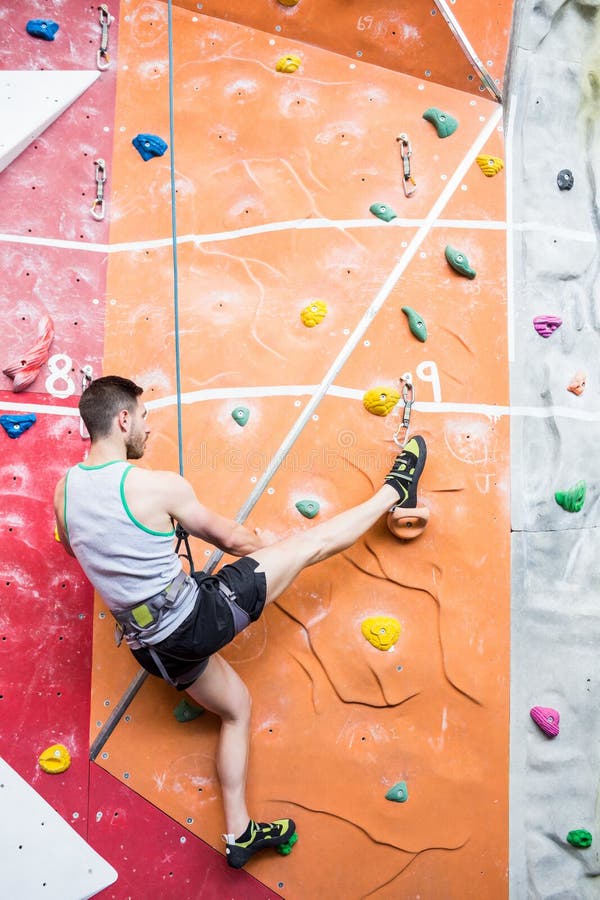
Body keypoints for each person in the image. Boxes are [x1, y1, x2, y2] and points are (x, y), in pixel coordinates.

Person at [53, 376, 427, 869]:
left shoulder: (64, 489)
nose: (148, 427)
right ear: (122, 421)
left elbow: (71, 542)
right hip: (193, 623)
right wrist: (277, 556)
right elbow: (233, 539)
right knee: (309, 546)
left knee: (236, 708)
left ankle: (239, 833)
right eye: (143, 418)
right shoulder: (155, 486)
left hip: (150, 648)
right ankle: (395, 492)